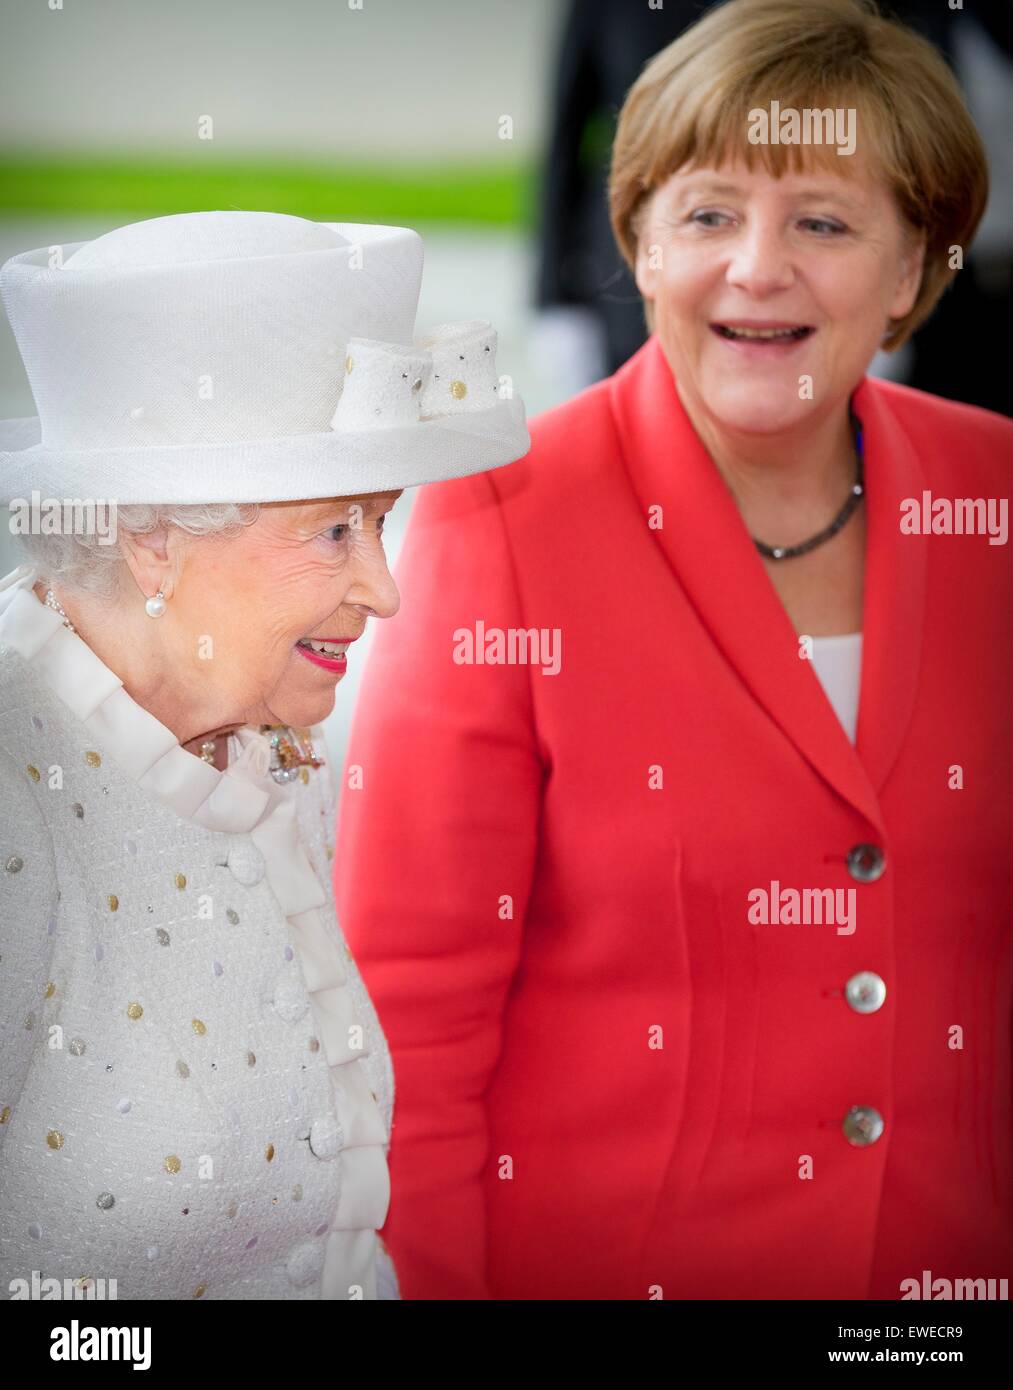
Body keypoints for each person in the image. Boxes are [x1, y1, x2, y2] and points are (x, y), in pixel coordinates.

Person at [335, 0, 1013, 1299]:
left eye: (821, 220)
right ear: (637, 247)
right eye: (706, 215)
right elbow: (409, 1017)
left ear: (917, 269)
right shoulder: (503, 514)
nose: (756, 268)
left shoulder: (991, 491)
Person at [0, 209, 528, 1300]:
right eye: (337, 530)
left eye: (383, 525)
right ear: (152, 535)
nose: (384, 590)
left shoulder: (281, 742)